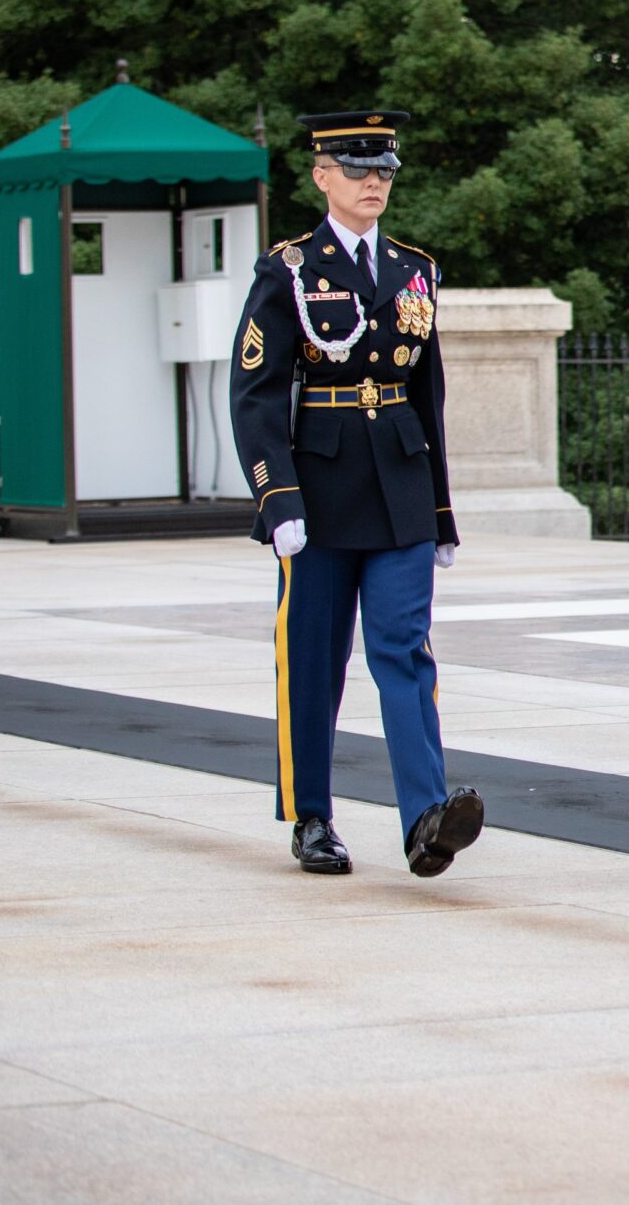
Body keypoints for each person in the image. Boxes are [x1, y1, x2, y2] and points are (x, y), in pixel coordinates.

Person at [227, 110, 483, 878]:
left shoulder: (414, 270)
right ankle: (311, 814)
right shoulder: (290, 269)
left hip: (400, 484)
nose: (375, 180)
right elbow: (255, 395)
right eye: (358, 167)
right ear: (322, 175)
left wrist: (440, 512)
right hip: (322, 490)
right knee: (314, 657)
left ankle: (425, 820)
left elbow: (427, 395)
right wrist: (277, 501)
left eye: (384, 169)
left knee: (404, 648)